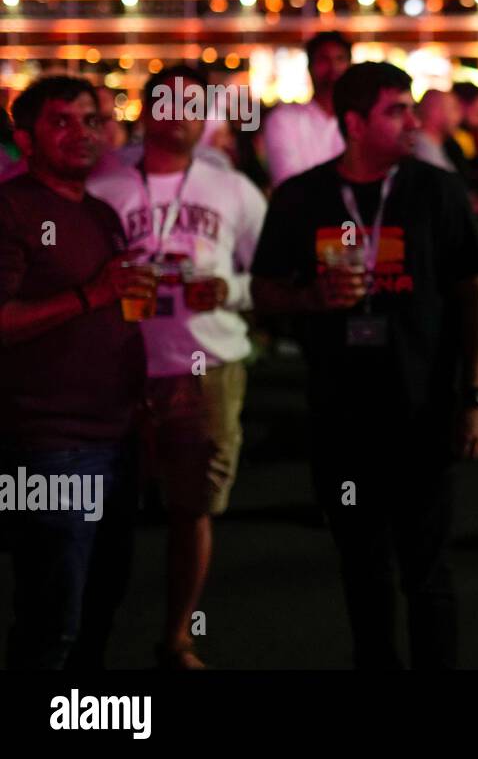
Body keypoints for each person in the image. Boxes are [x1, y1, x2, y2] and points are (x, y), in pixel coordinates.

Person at [251, 61, 478, 669]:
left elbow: (473, 297)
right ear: (354, 123)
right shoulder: (302, 197)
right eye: (396, 110)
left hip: (425, 411)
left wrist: (476, 396)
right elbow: (263, 290)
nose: (413, 121)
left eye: (411, 107)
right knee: (362, 569)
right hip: (341, 416)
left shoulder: (436, 191)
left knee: (428, 571)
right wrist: (310, 298)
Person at [87, 65, 267, 669]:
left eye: (197, 104)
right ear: (147, 110)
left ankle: (177, 637)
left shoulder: (232, 188)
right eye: (171, 103)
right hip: (116, 363)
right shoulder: (104, 183)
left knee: (192, 508)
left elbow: (268, 275)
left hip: (206, 363)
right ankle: (86, 639)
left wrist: (232, 289)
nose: (183, 115)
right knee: (103, 509)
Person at [0, 75, 153, 668]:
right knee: (51, 617)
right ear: (25, 139)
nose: (81, 134)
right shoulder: (12, 209)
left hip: (114, 436)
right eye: (61, 121)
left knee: (99, 608)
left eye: (92, 121)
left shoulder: (100, 212)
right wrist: (90, 295)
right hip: (48, 443)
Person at [263, 31, 352, 188]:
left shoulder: (359, 120)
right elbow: (287, 183)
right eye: (324, 59)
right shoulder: (284, 119)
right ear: (310, 67)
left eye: (340, 59)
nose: (333, 67)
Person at [409, 89, 468, 177]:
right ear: (435, 112)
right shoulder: (424, 155)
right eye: (454, 108)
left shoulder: (436, 147)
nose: (459, 116)